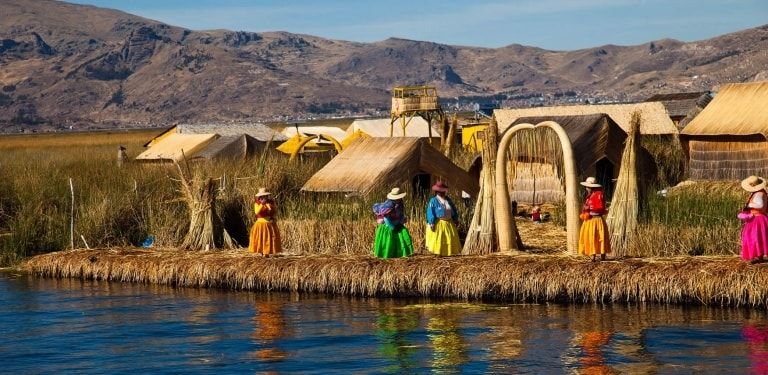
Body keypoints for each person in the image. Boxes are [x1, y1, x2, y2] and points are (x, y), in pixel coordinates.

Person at [372, 188, 413, 258]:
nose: (399, 199)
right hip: (388, 225)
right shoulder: (389, 205)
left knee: (400, 239)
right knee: (388, 241)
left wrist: (402, 220)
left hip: (397, 224)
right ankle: (387, 255)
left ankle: (399, 254)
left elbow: (400, 214)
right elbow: (386, 218)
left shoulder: (400, 203)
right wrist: (392, 227)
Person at [578, 177, 611, 261]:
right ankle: (593, 256)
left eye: (587, 186)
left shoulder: (599, 194)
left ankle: (601, 256)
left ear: (592, 187)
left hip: (596, 219)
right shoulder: (589, 195)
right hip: (589, 219)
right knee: (590, 236)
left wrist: (589, 207)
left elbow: (600, 207)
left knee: (599, 237)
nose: (586, 188)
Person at [425, 181, 461, 256]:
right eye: (439, 191)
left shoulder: (448, 200)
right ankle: (438, 254)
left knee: (449, 238)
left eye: (443, 191)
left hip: (449, 223)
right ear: (437, 192)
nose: (441, 193)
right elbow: (430, 211)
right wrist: (431, 222)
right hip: (439, 223)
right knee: (439, 239)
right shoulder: (433, 201)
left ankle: (448, 253)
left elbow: (453, 210)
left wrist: (456, 219)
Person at [740, 176, 768, 263]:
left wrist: (749, 205)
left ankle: (758, 256)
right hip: (757, 218)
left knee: (754, 237)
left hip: (757, 219)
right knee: (758, 237)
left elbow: (760, 205)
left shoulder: (759, 194)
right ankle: (759, 256)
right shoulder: (759, 193)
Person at [248, 188, 281, 256]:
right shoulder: (257, 204)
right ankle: (261, 251)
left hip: (269, 223)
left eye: (265, 196)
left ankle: (267, 252)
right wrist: (262, 205)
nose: (264, 198)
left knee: (268, 239)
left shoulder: (271, 202)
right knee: (260, 238)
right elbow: (257, 212)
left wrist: (272, 211)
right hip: (260, 224)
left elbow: (275, 211)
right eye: (262, 196)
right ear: (260, 197)